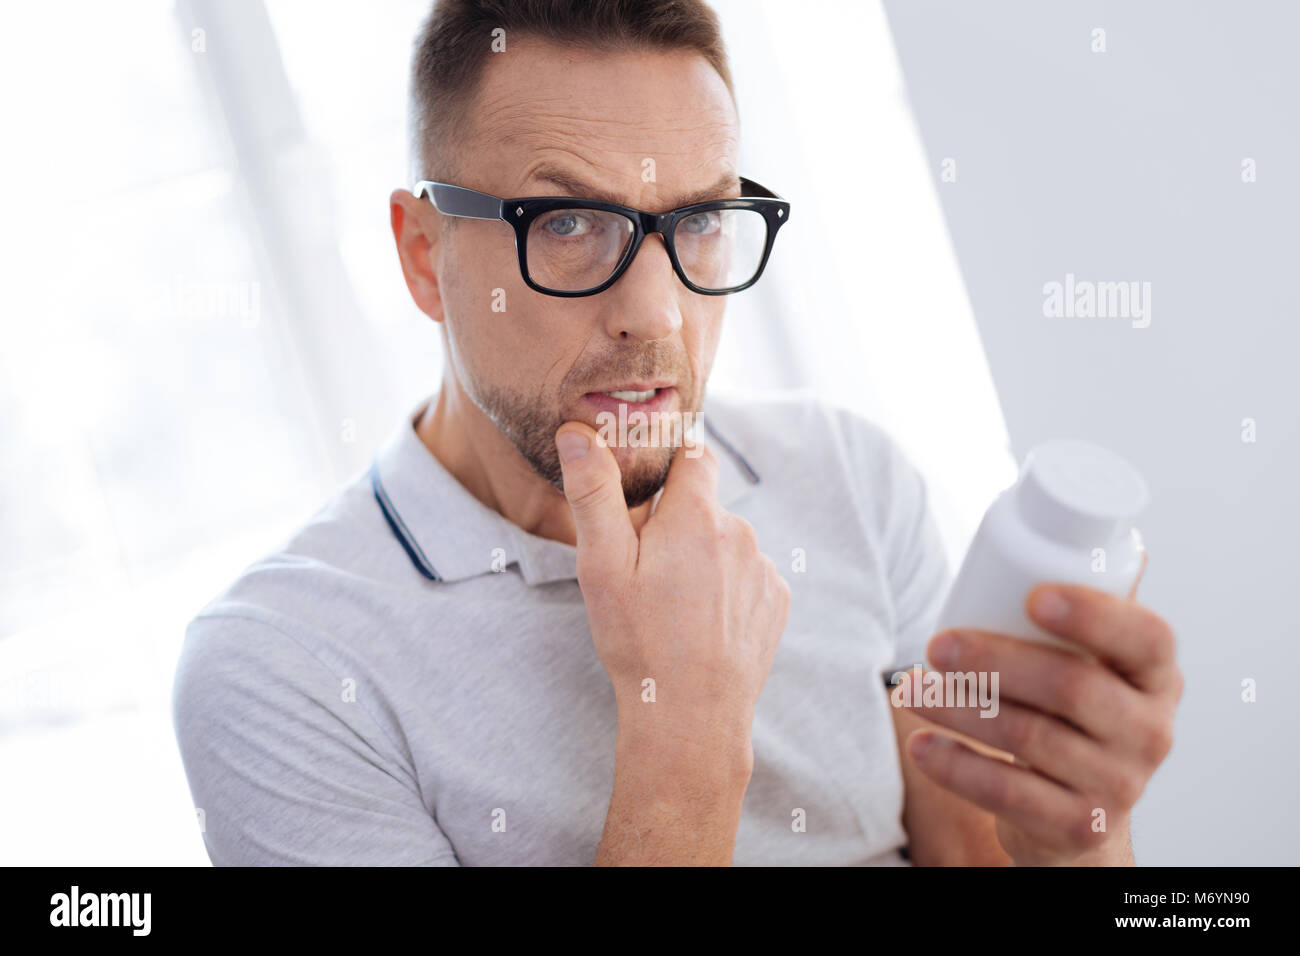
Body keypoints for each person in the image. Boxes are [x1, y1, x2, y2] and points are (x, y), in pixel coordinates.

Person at [172, 0, 1182, 866]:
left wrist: (1080, 838)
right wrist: (684, 728)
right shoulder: (282, 666)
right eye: (566, 223)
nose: (653, 315)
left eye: (697, 220)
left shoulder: (849, 477)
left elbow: (976, 848)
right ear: (425, 254)